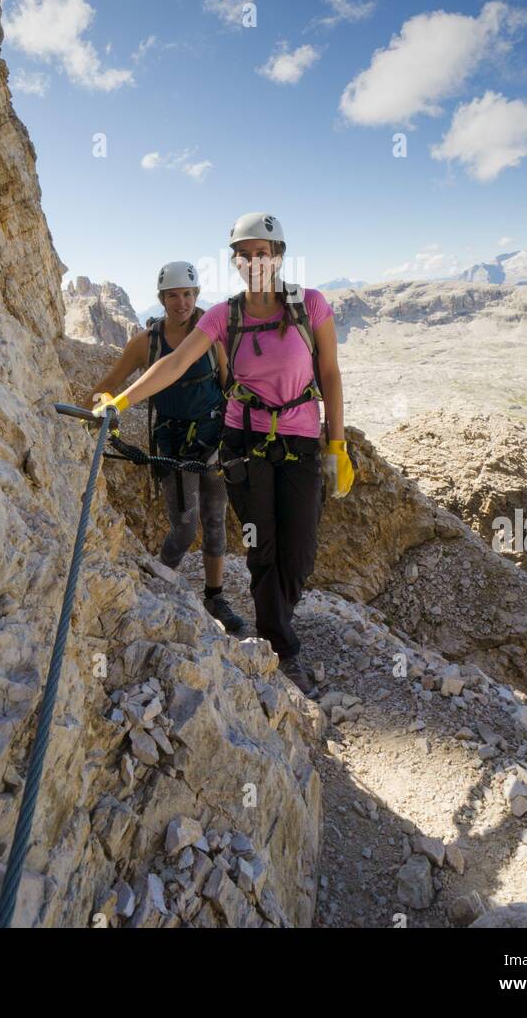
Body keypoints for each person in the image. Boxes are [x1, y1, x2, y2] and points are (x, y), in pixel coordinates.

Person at [92, 215, 354, 697]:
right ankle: (282, 647)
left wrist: (335, 443)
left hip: (299, 440)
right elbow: (174, 363)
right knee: (262, 545)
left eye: (264, 252)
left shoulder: (310, 305)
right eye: (245, 254)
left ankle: (276, 620)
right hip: (243, 443)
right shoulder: (223, 317)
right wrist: (122, 400)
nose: (255, 262)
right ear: (235, 261)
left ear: (279, 255)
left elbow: (331, 374)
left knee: (299, 551)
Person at [89, 260, 245, 634]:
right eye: (174, 295)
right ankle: (158, 583)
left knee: (214, 520)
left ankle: (215, 596)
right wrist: (88, 409)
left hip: (212, 438)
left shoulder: (213, 336)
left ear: (197, 295)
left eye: (188, 294)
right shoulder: (147, 343)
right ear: (161, 299)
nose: (182, 303)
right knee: (186, 524)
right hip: (172, 443)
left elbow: (229, 386)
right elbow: (111, 382)